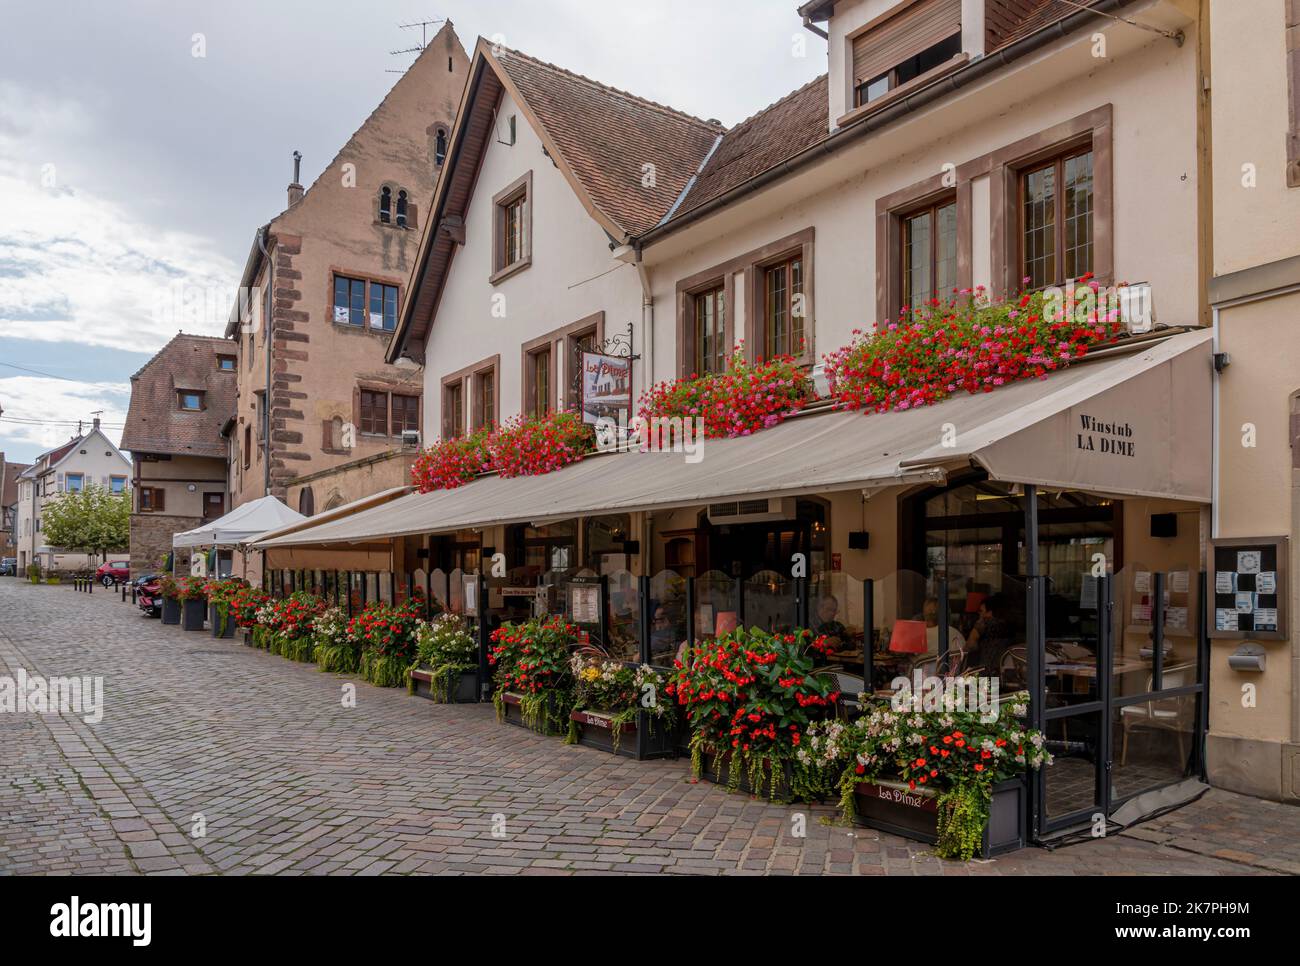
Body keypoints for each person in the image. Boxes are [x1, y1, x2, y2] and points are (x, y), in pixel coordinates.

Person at [966, 593, 1014, 673]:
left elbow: (970, 645)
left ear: (990, 612)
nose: (979, 614)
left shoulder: (983, 624)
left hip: (984, 672)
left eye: (981, 611)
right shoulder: (1008, 626)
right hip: (1002, 674)